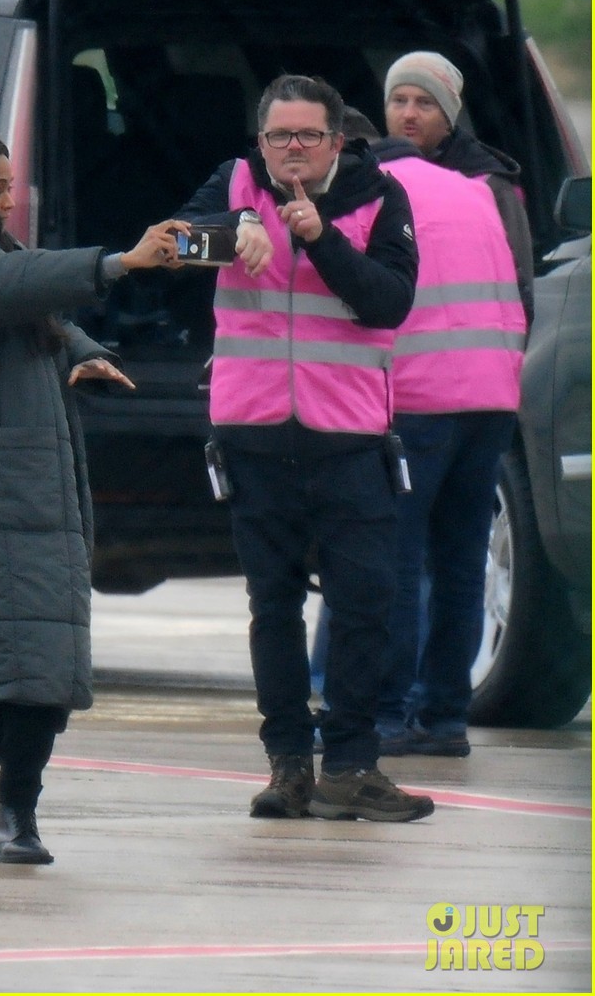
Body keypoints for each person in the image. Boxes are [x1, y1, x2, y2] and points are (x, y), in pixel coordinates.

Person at [0, 129, 187, 864]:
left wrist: (88, 353)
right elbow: (18, 289)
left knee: (45, 665)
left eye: (9, 185)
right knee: (24, 669)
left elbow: (48, 319)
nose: (6, 197)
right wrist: (121, 261)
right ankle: (14, 813)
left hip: (37, 488)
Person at [174, 74, 433, 822]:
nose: (293, 150)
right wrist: (232, 230)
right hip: (254, 429)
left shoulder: (379, 198)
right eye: (279, 136)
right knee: (273, 604)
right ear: (260, 141)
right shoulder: (234, 183)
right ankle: (287, 764)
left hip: (349, 434)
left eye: (308, 137)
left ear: (337, 141)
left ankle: (350, 763)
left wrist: (317, 238)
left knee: (364, 600)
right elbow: (170, 245)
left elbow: (388, 299)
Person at [340, 107, 528, 756]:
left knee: (392, 556)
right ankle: (445, 716)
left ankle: (387, 712)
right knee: (460, 559)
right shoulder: (471, 187)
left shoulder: (371, 191)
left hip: (420, 397)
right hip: (492, 394)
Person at [383, 50, 534, 325]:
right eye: (398, 101)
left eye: (425, 103)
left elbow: (521, 287)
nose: (408, 114)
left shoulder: (491, 185)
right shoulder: (371, 177)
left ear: (449, 116)